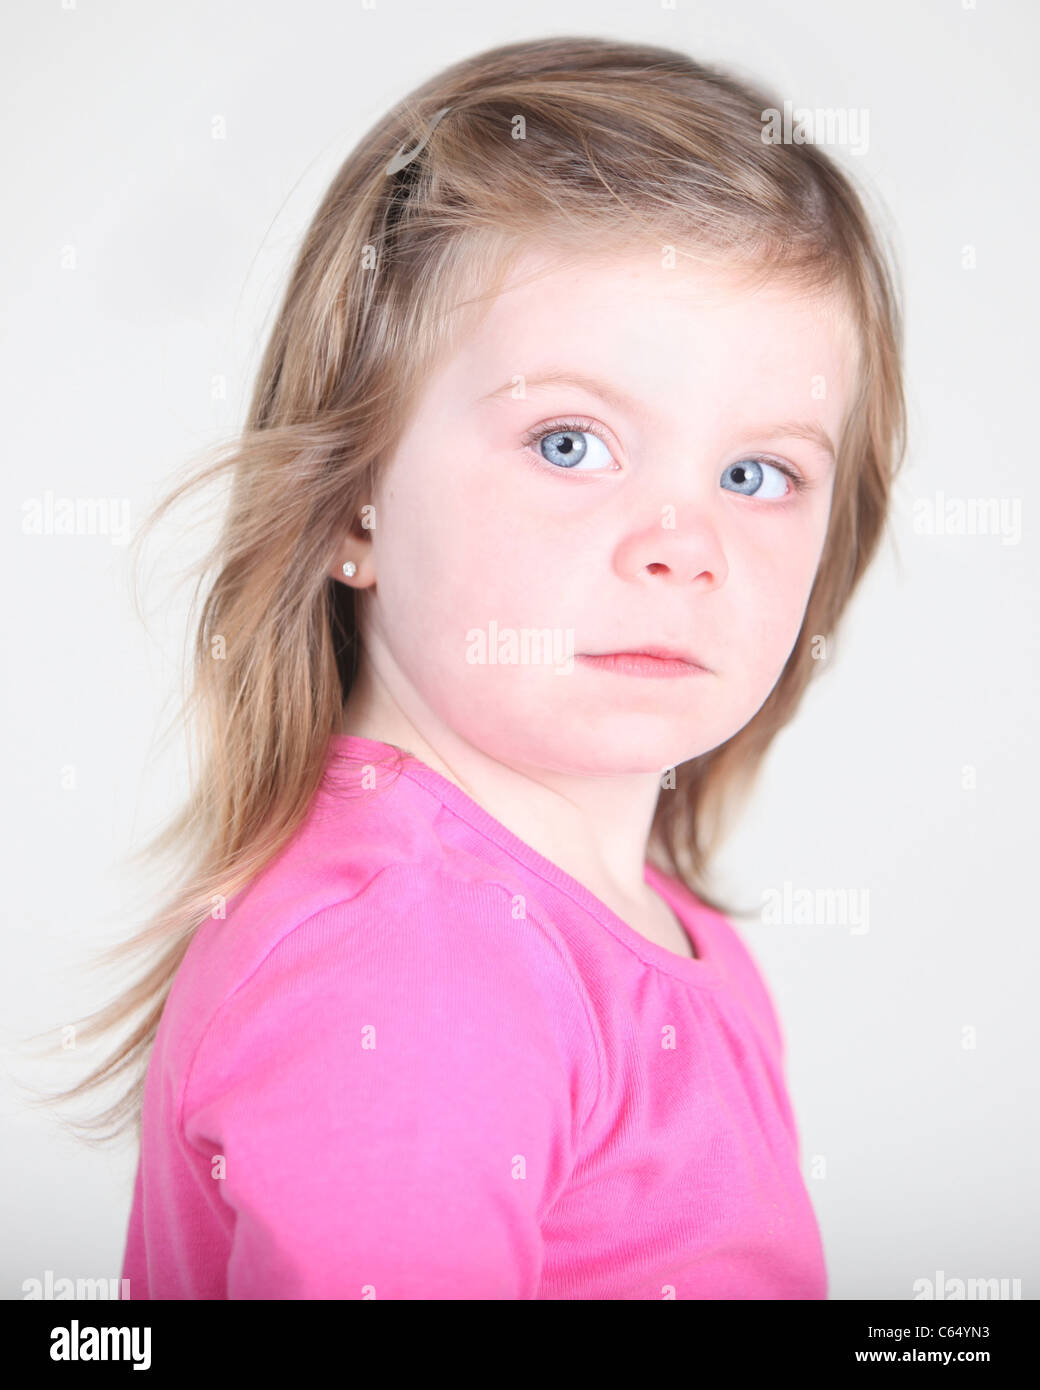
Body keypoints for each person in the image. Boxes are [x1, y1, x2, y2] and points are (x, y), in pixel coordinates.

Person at [50, 35, 906, 1298]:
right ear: (354, 506)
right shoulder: (412, 974)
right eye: (569, 442)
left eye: (752, 473)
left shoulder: (656, 929)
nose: (683, 545)